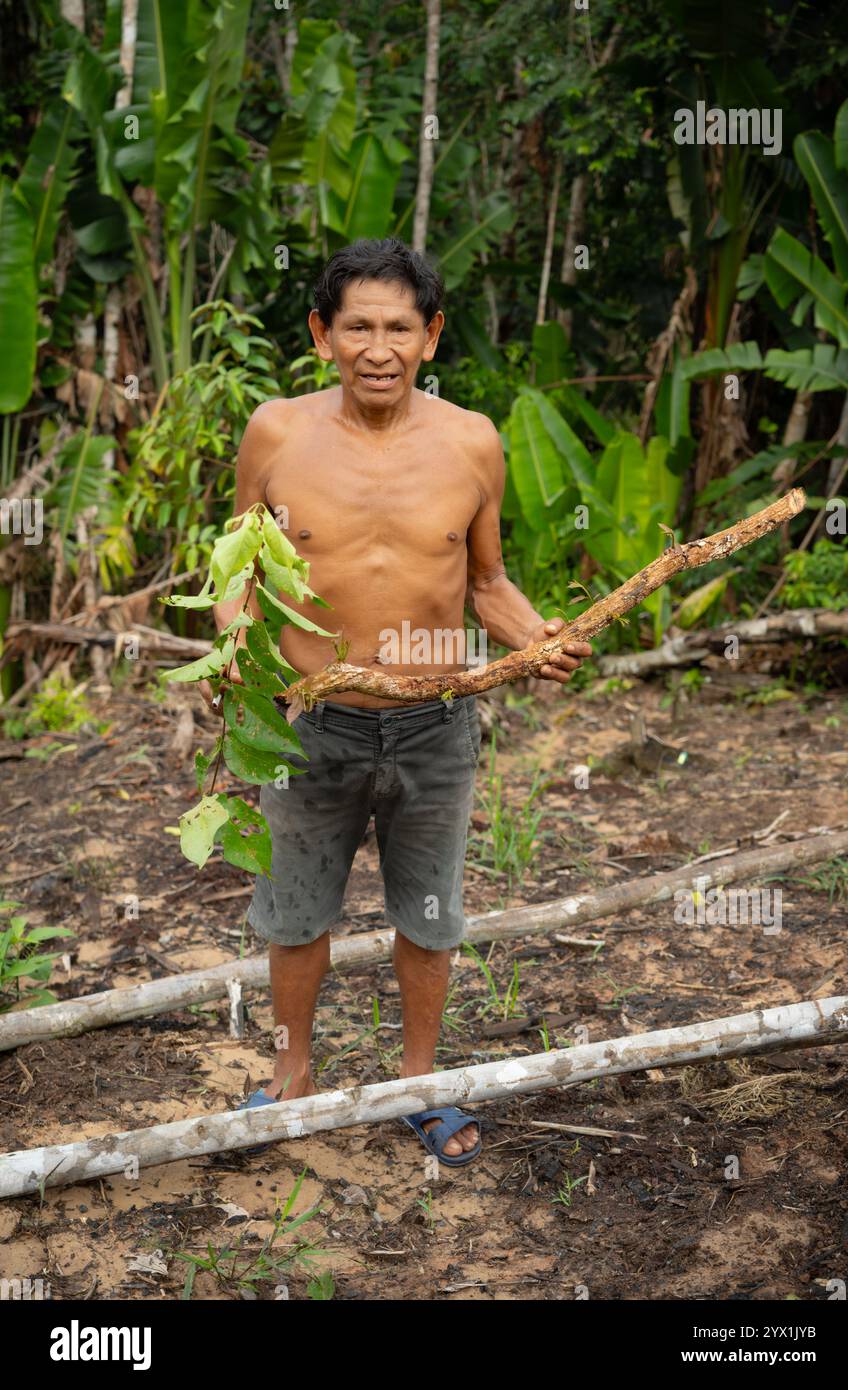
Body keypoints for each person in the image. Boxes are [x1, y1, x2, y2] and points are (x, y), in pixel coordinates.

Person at [204, 237, 590, 1166]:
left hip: (436, 724)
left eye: (399, 329)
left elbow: (488, 582)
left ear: (431, 338)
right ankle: (292, 1074)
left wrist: (538, 640)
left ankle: (419, 1085)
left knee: (428, 916)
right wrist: (227, 634)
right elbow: (238, 564)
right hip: (308, 723)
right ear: (321, 335)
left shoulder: (471, 441)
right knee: (294, 916)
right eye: (358, 328)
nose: (378, 348)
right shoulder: (276, 433)